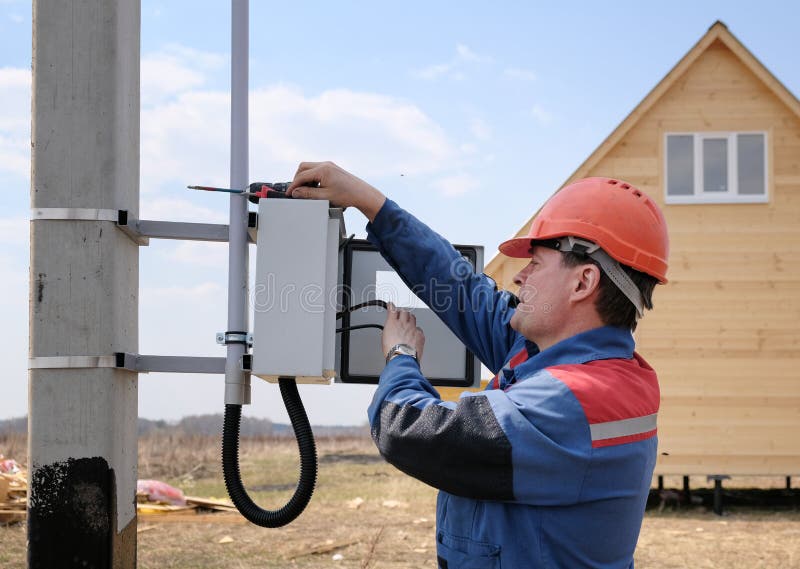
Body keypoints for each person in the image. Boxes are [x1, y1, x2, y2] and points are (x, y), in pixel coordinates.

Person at [287, 162, 669, 569]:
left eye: (536, 263)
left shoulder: (578, 401)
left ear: (583, 282)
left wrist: (401, 358)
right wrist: (368, 201)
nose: (520, 277)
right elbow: (462, 289)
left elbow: (408, 430)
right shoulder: (557, 358)